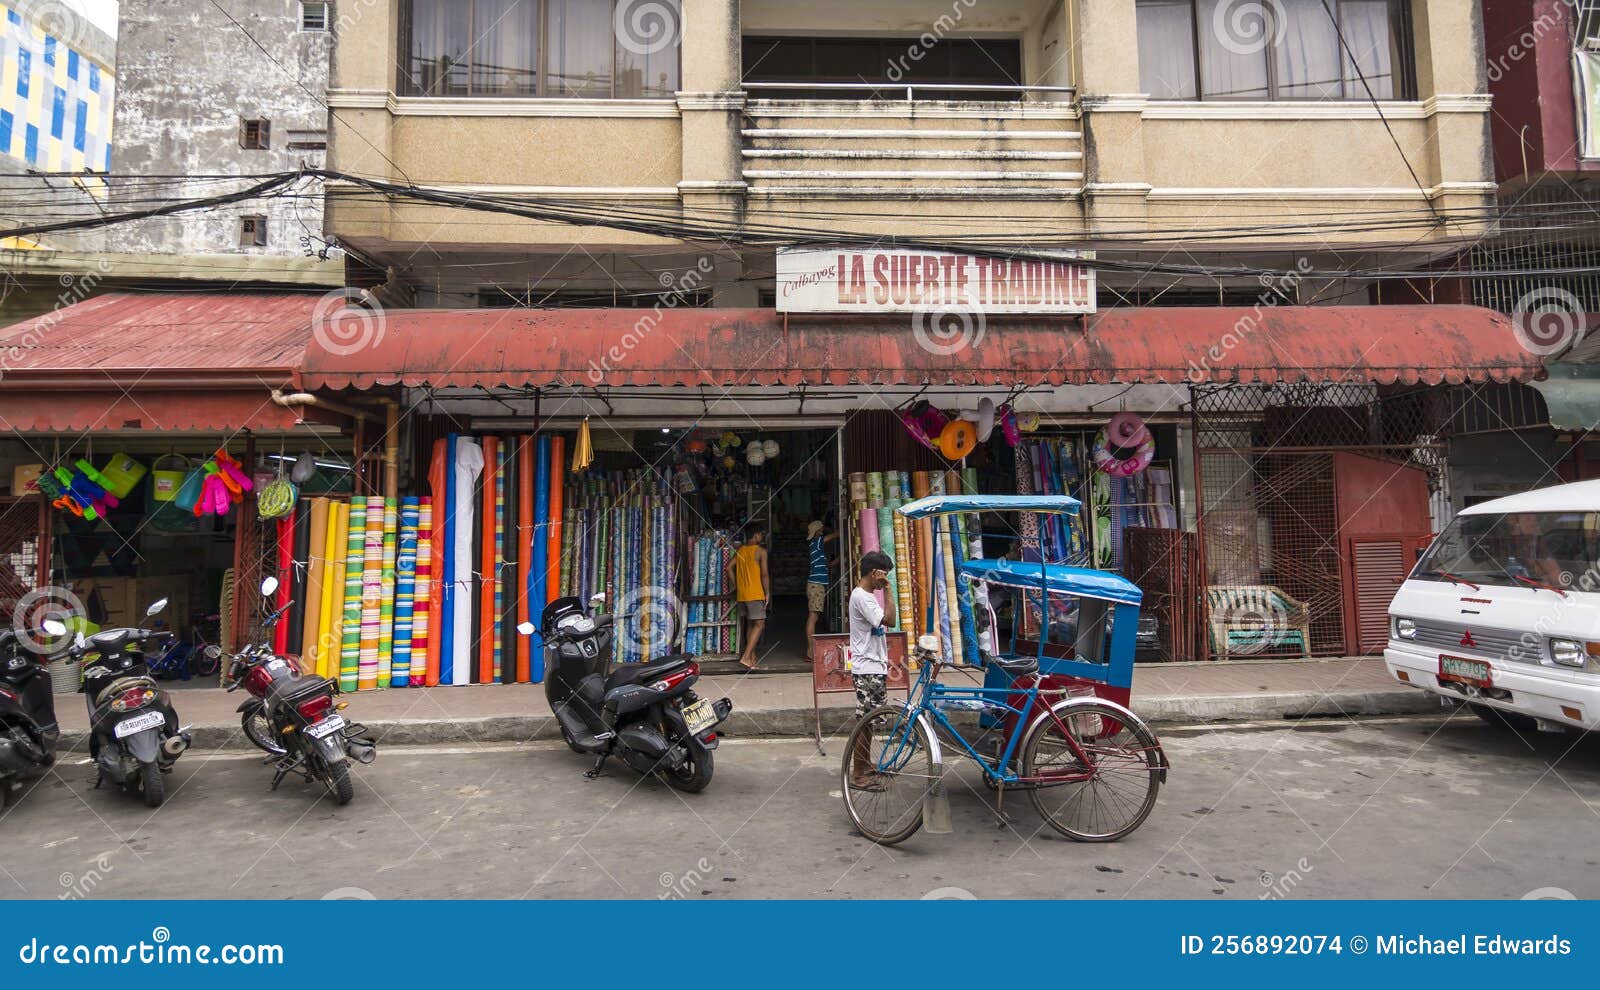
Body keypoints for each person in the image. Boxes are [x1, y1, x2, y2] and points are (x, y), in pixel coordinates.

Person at [847, 550, 896, 790]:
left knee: (869, 721)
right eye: (883, 576)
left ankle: (864, 765)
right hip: (867, 667)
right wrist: (889, 590)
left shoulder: (865, 595)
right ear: (873, 573)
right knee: (865, 721)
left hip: (872, 666)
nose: (884, 581)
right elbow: (890, 619)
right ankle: (858, 775)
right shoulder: (863, 597)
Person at [729, 527, 770, 671]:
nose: (761, 536)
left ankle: (751, 659)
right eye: (760, 533)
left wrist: (736, 585)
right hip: (755, 593)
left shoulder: (740, 550)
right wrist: (767, 592)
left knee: (750, 625)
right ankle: (746, 657)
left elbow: (728, 567)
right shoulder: (760, 551)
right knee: (760, 624)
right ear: (756, 534)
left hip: (742, 595)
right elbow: (764, 574)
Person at [804, 520, 838, 661]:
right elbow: (834, 535)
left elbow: (827, 565)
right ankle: (810, 651)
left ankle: (810, 650)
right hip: (816, 585)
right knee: (813, 617)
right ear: (818, 530)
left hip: (817, 584)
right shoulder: (817, 541)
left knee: (814, 617)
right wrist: (839, 530)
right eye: (821, 528)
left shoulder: (816, 548)